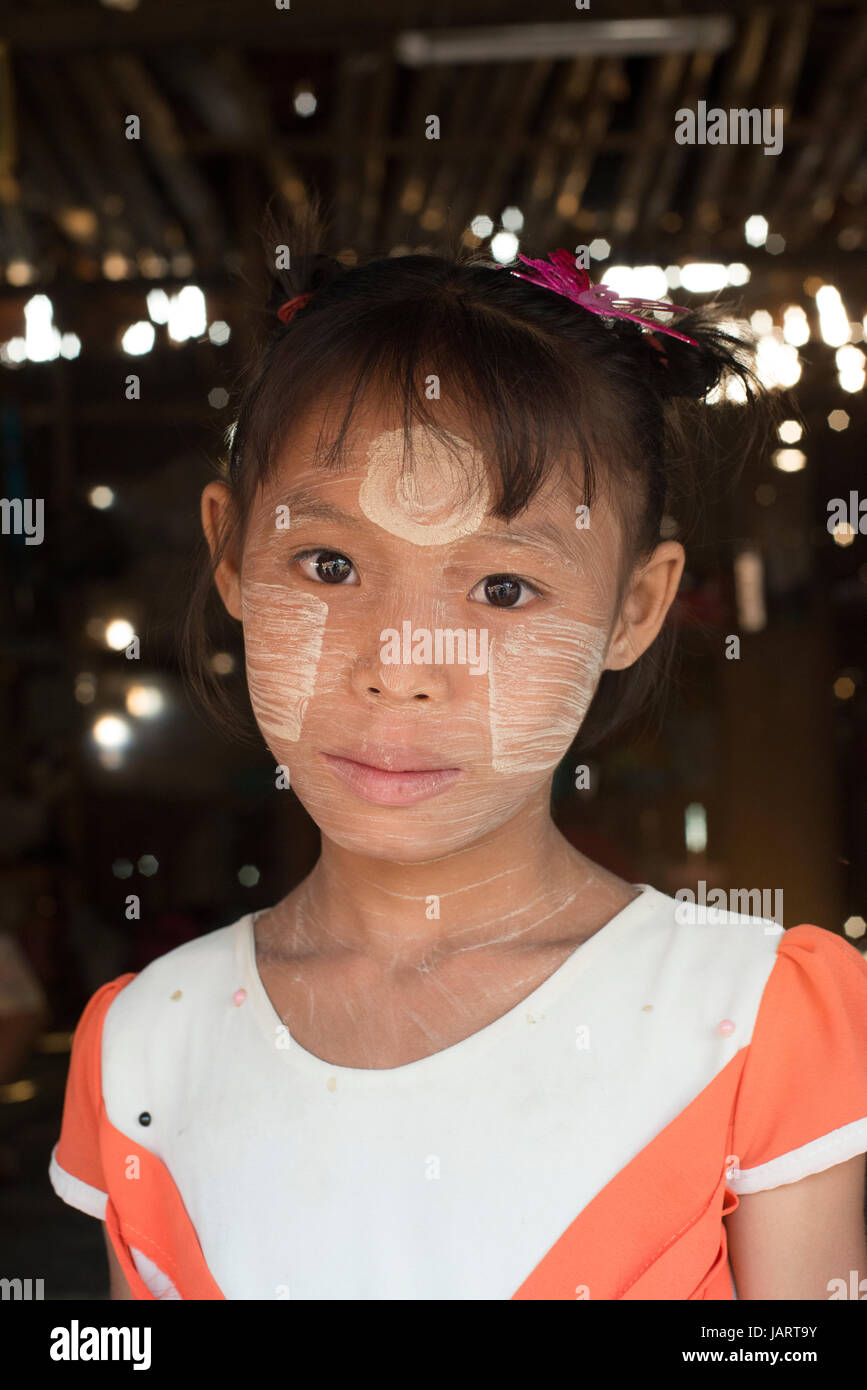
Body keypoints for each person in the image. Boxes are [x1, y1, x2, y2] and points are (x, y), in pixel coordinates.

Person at [48, 197, 867, 1301]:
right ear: (231, 556)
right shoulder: (146, 1047)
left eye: (503, 587)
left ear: (636, 608)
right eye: (330, 565)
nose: (401, 662)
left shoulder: (754, 1023)